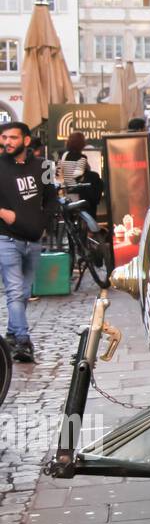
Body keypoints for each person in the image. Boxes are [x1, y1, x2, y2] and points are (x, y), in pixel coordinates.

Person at [0, 121, 56, 363]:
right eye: (3, 138)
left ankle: (12, 334)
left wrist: (42, 224)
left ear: (25, 140)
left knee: (23, 293)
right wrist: (5, 214)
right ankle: (23, 341)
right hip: (6, 238)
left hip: (33, 239)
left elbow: (52, 199)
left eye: (12, 138)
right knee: (14, 291)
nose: (7, 142)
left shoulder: (43, 166)